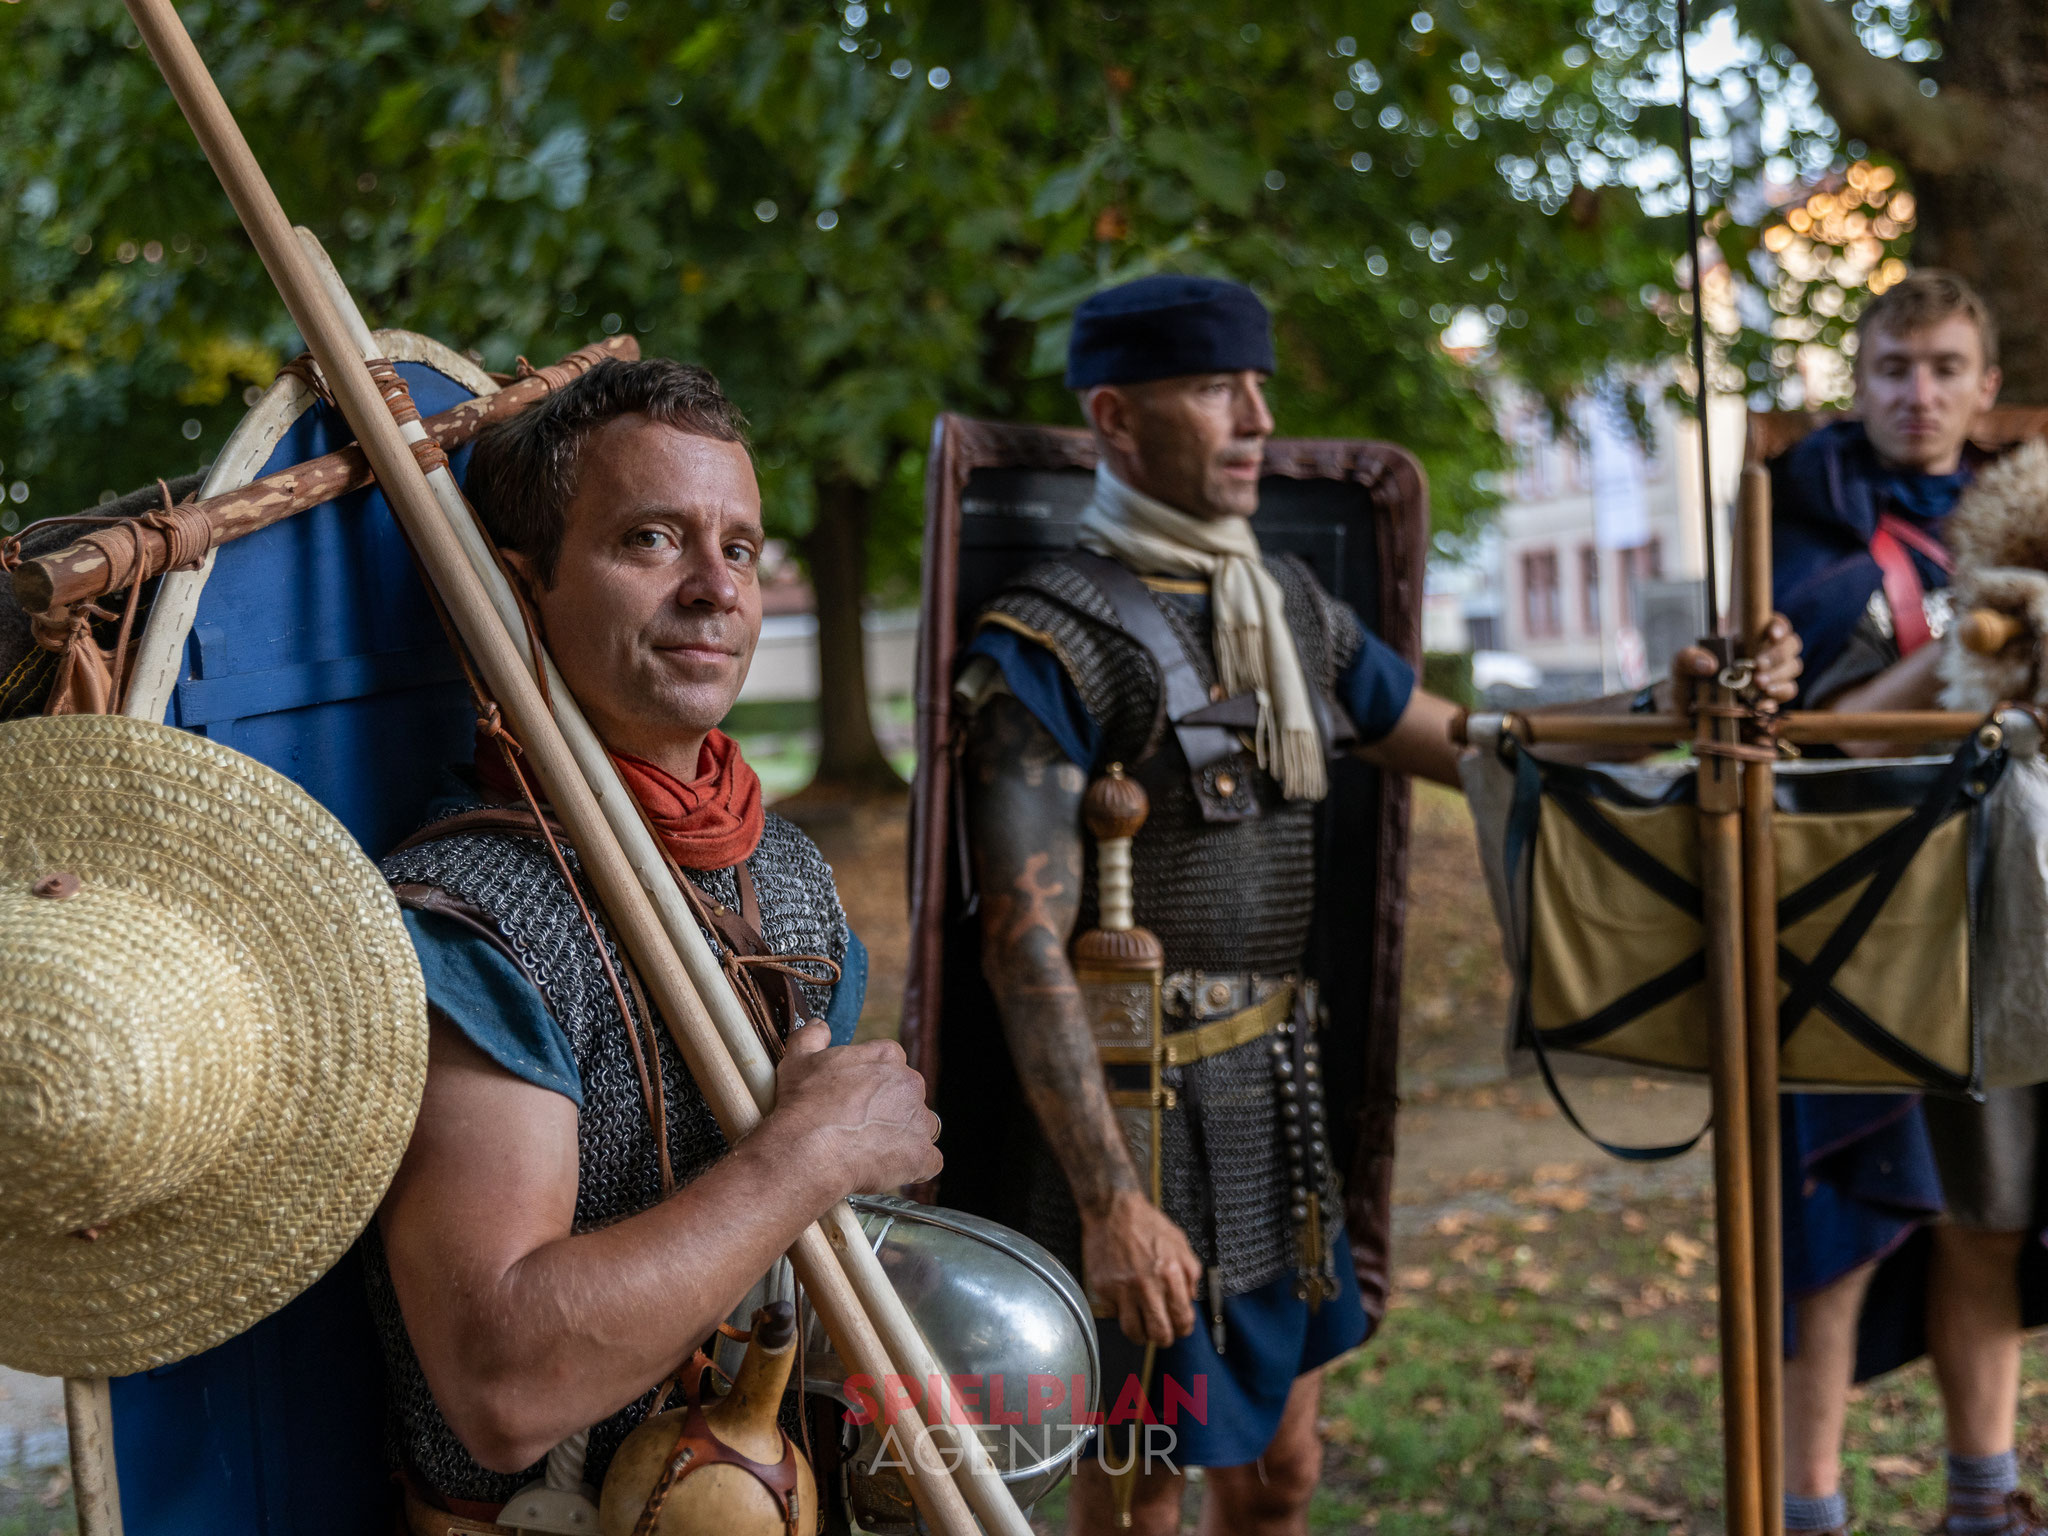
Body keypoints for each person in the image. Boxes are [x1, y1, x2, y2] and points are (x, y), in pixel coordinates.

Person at [952, 275, 1798, 1535]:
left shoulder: (1289, 608)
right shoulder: (1047, 640)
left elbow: (1471, 742)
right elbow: (1023, 944)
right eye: (1210, 388)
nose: (1252, 419)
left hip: (1274, 1107)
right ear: (1118, 418)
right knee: (1136, 1498)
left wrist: (1663, 710)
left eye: (1256, 387)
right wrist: (1107, 1199)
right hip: (1138, 1117)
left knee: (1284, 1470)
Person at [363, 359, 942, 1522]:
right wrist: (811, 1156)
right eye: (650, 540)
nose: (714, 588)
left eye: (735, 545)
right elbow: (503, 1382)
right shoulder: (473, 919)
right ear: (523, 590)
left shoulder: (781, 874)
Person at [1772, 269, 2048, 1536]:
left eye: (1943, 369)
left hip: (2007, 909)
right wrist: (1957, 662)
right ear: (1858, 379)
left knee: (1985, 1212)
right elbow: (1795, 735)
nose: (1917, 393)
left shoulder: (2023, 514)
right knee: (1837, 1222)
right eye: (1893, 368)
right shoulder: (1796, 520)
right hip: (1845, 910)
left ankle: (1978, 1502)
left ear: (1983, 389)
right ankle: (1810, 1508)